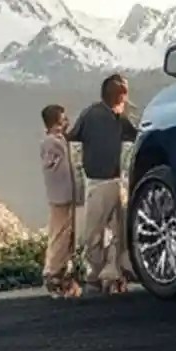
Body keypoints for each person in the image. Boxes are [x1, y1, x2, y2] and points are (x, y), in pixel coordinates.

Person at [67, 74, 138, 295]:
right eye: (124, 92)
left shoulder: (103, 116)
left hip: (112, 182)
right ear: (118, 94)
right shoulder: (105, 117)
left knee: (109, 230)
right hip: (104, 182)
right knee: (102, 231)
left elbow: (72, 138)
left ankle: (106, 274)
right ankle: (103, 273)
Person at [39, 104, 81, 298]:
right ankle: (53, 272)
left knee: (66, 233)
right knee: (60, 233)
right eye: (64, 119)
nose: (67, 122)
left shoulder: (58, 140)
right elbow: (53, 169)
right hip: (60, 197)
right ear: (56, 122)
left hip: (66, 196)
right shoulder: (51, 143)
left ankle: (63, 272)